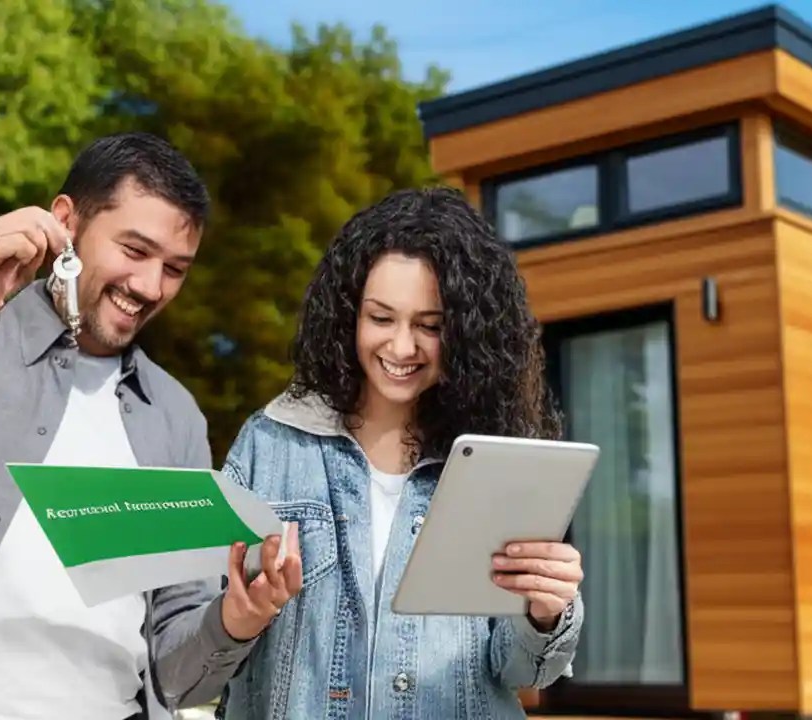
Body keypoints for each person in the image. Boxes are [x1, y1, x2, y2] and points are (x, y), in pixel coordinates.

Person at [0, 132, 302, 720]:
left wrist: (238, 619)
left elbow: (172, 673)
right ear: (65, 223)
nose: (151, 287)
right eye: (134, 250)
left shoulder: (175, 417)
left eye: (175, 268)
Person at [214, 186, 585, 719]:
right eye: (381, 319)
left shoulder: (499, 461)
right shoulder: (271, 444)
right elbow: (213, 645)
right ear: (348, 317)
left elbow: (523, 671)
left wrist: (546, 613)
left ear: (465, 334)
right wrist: (237, 615)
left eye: (430, 326)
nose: (402, 348)